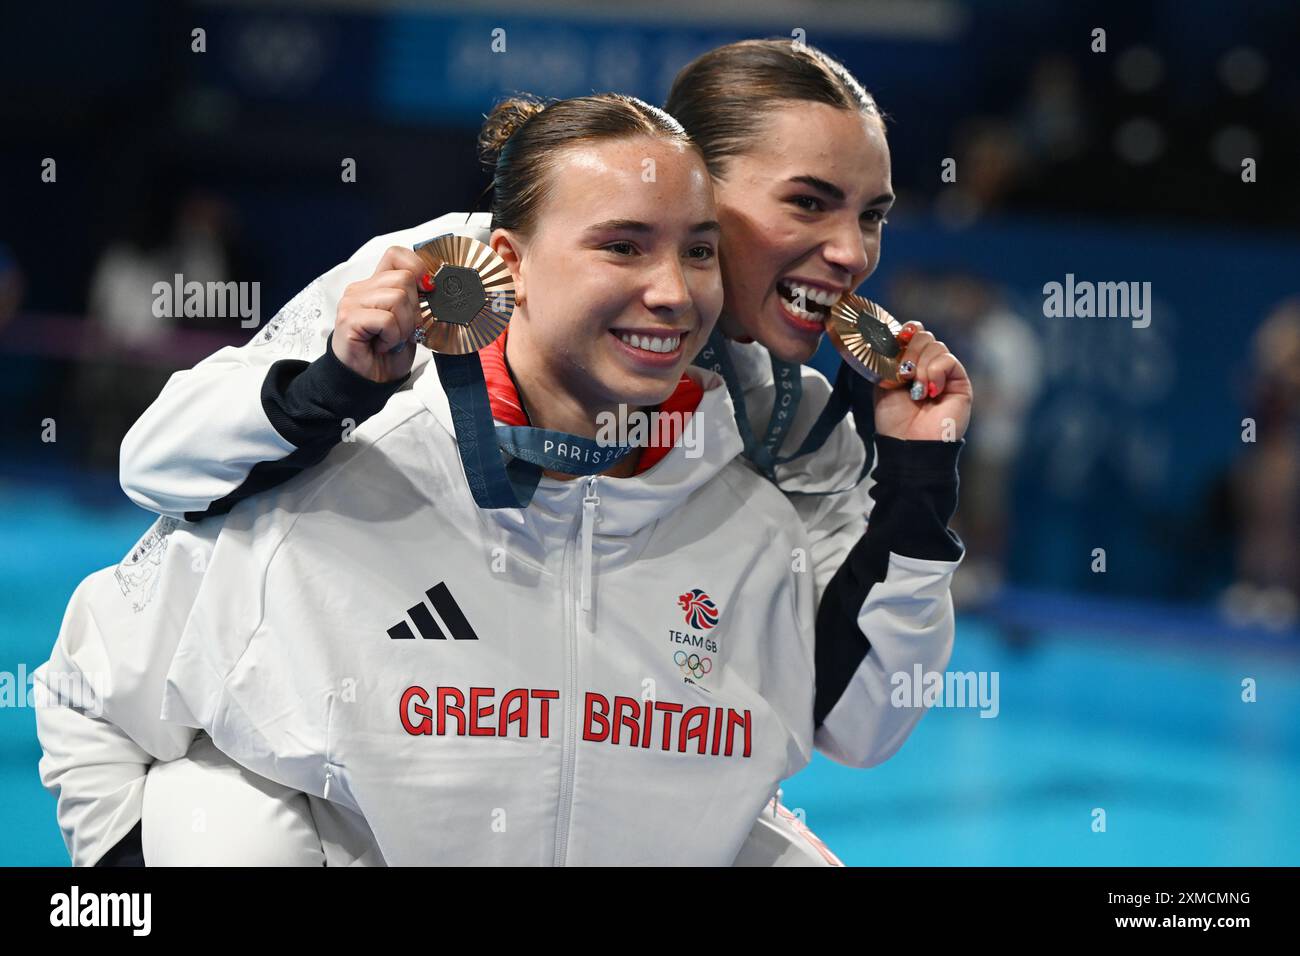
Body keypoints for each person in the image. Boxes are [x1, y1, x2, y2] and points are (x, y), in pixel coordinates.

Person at [45, 41, 970, 866]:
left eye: (874, 216)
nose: (851, 252)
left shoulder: (795, 419)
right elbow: (157, 468)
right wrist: (333, 388)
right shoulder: (436, 284)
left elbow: (861, 717)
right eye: (809, 203)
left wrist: (918, 484)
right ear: (685, 174)